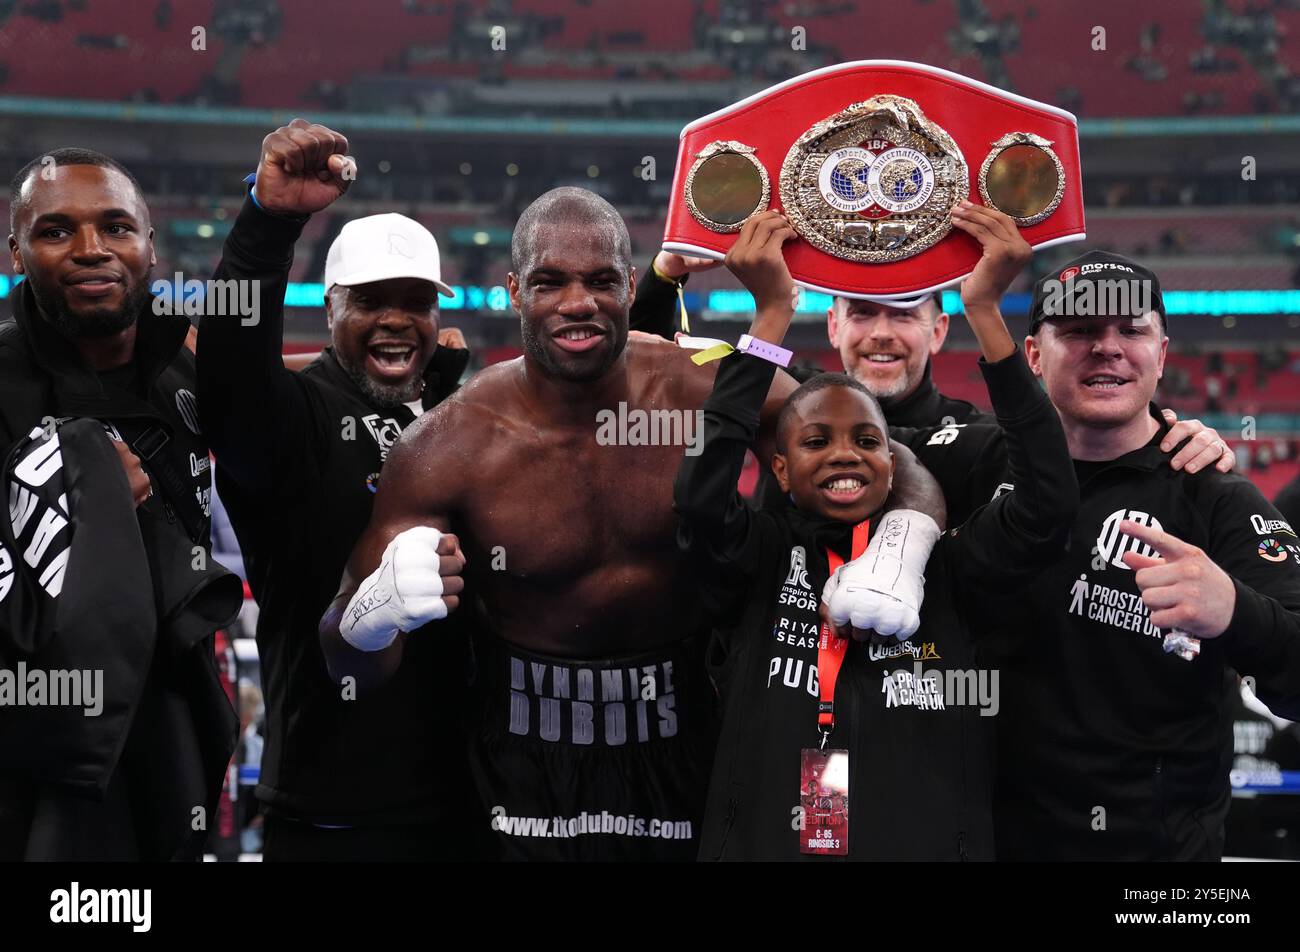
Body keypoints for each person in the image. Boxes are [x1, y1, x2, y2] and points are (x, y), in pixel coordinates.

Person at [319, 186, 946, 861]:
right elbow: (345, 659)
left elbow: (891, 462)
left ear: (629, 283)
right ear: (510, 291)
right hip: (521, 759)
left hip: (695, 737)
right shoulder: (450, 443)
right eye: (550, 282)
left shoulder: (700, 387)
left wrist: (902, 547)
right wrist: (374, 612)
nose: (577, 302)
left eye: (599, 281)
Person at [676, 205, 1077, 860]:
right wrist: (768, 315)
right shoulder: (765, 558)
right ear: (779, 464)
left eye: (867, 441)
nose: (843, 455)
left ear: (895, 460)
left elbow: (1049, 507)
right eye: (816, 441)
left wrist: (988, 314)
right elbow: (698, 500)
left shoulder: (956, 564)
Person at [197, 119, 474, 861]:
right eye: (369, 301)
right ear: (330, 311)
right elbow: (230, 373)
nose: (395, 320)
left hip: (466, 802)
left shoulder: (453, 417)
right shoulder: (291, 420)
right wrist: (268, 223)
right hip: (336, 809)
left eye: (415, 302)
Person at [985, 248, 1300, 860]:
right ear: (1031, 354)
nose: (1107, 347)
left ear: (1161, 353)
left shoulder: (1216, 496)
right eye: (1079, 331)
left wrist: (1235, 611)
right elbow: (829, 424)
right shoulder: (975, 464)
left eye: (1131, 330)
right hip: (985, 845)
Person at [0, 148, 240, 860]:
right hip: (34, 751)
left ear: (149, 245)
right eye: (56, 231)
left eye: (115, 227)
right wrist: (75, 498)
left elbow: (299, 397)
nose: (91, 250)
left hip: (172, 735)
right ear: (16, 249)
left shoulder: (190, 365)